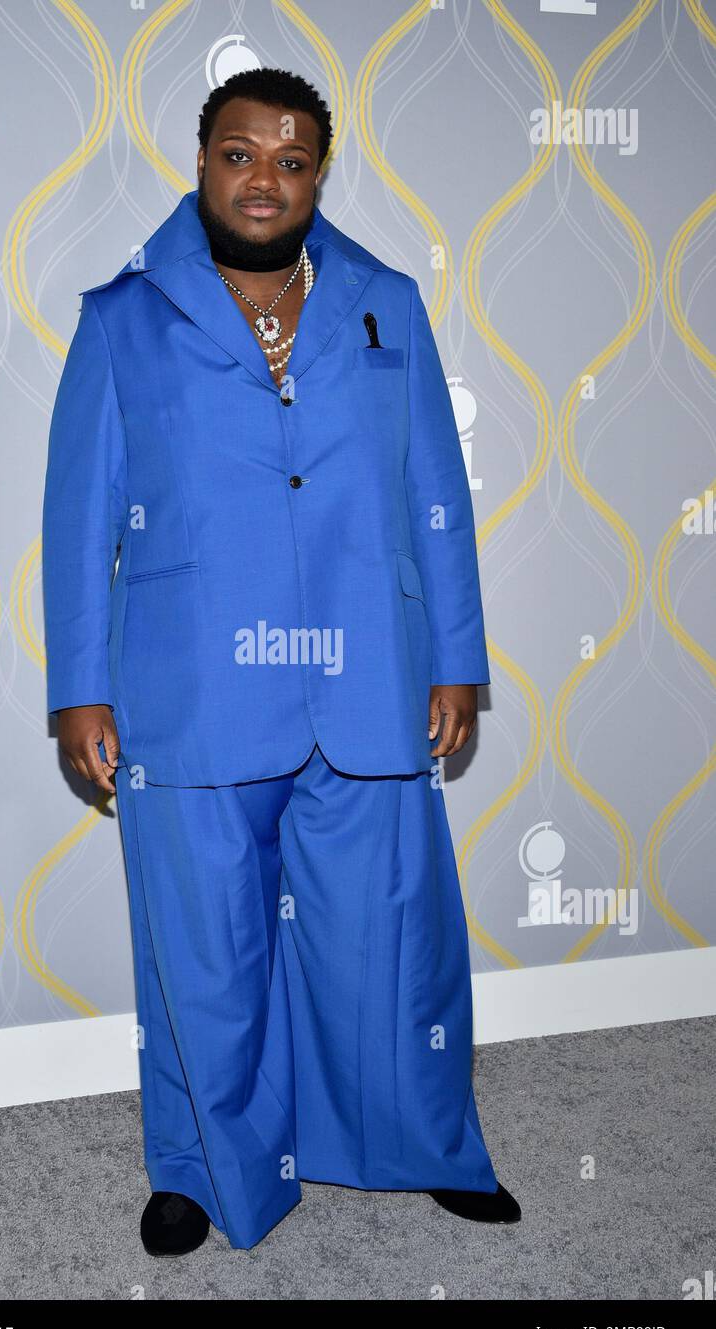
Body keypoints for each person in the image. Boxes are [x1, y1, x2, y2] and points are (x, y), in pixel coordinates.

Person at [41, 66, 520, 1256]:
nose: (265, 178)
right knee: (204, 948)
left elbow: (431, 494)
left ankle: (418, 1141)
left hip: (368, 675)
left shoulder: (385, 304)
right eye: (240, 153)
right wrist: (77, 690)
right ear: (201, 163)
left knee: (388, 933)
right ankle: (198, 1168)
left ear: (318, 174)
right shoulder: (120, 318)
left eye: (292, 157)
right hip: (189, 689)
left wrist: (453, 657)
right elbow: (76, 520)